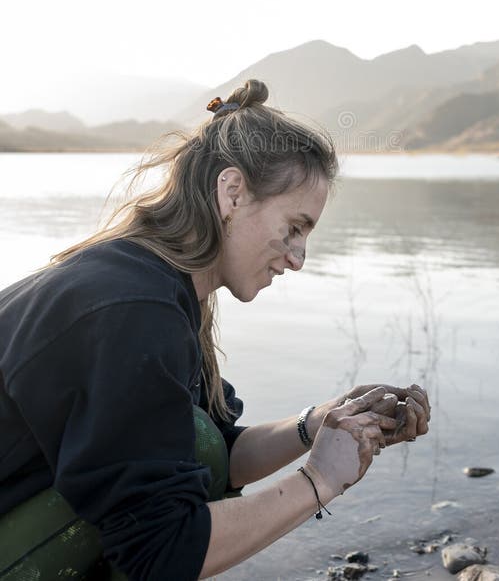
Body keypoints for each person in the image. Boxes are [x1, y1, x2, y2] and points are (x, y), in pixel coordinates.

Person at [0, 79, 430, 580]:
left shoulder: (155, 286)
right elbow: (162, 551)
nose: (298, 258)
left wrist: (324, 421)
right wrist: (319, 480)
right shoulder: (130, 309)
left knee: (199, 441)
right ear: (232, 192)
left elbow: (220, 454)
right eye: (294, 227)